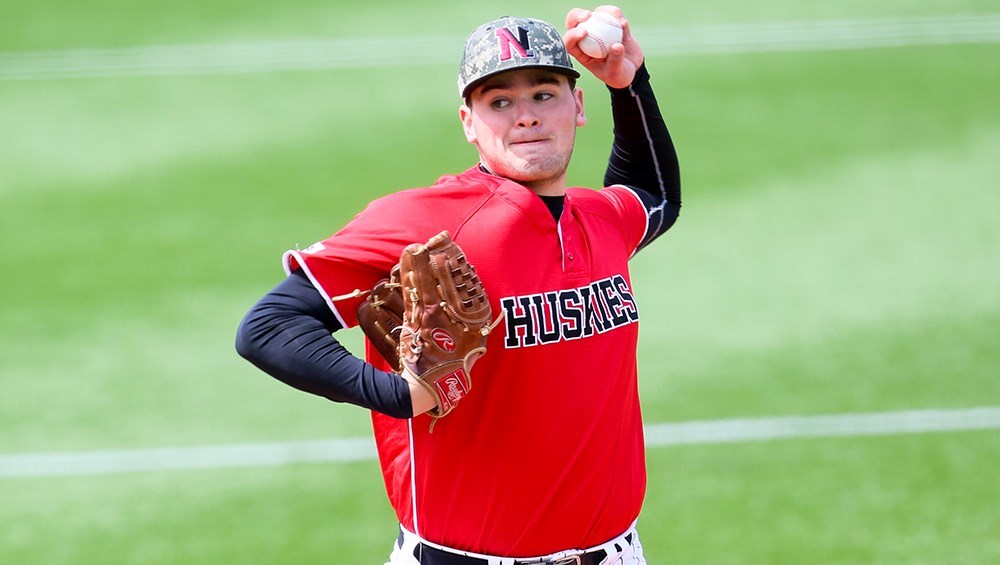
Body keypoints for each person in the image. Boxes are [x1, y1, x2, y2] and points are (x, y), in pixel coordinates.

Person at [236, 6, 681, 564]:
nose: (526, 117)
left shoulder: (602, 219)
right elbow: (269, 326)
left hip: (617, 554)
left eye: (544, 93)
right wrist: (396, 394)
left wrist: (629, 84)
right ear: (469, 122)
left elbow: (654, 194)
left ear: (577, 105)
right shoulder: (422, 221)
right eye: (499, 102)